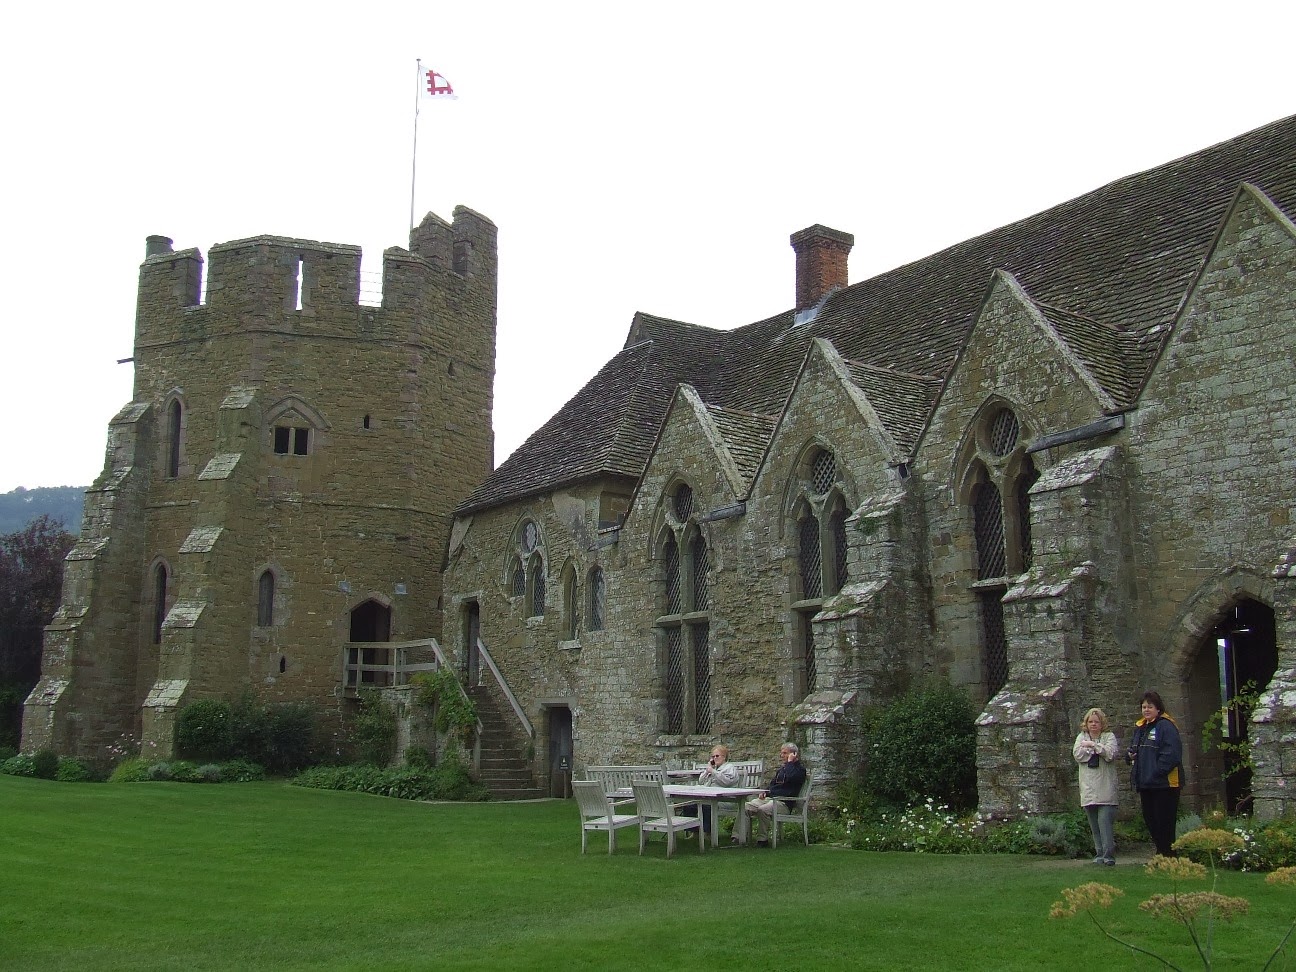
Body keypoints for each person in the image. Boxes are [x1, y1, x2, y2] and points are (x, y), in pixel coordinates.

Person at [1126, 690, 1183, 857]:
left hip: (1165, 784)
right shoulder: (1141, 727)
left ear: (1158, 709)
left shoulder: (1166, 726)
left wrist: (1157, 772)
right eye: (1143, 707)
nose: (1146, 710)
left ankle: (1169, 856)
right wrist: (1129, 755)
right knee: (1151, 821)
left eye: (1150, 707)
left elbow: (1171, 754)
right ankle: (1161, 854)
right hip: (1146, 784)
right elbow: (1134, 748)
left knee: (1164, 822)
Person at [735, 742, 807, 847]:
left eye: (785, 753)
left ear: (794, 754)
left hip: (784, 803)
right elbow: (773, 785)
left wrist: (790, 762)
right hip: (770, 799)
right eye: (781, 753)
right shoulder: (782, 770)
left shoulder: (799, 770)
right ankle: (738, 837)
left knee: (763, 809)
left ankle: (762, 840)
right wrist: (765, 792)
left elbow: (791, 777)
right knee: (745, 807)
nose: (782, 756)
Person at [1073, 707, 1119, 866]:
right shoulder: (1081, 737)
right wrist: (1092, 749)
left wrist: (1093, 746)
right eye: (1090, 722)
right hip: (1088, 788)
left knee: (1104, 823)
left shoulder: (1109, 736)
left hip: (1105, 788)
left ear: (1102, 723)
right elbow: (1078, 755)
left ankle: (1109, 856)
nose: (1093, 724)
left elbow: (1111, 753)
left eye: (1096, 722)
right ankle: (1099, 853)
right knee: (1094, 825)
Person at [683, 744, 741, 837]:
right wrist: (707, 770)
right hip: (710, 797)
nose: (714, 758)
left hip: (726, 799)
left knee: (706, 805)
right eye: (713, 756)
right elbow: (701, 781)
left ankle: (707, 833)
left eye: (717, 756)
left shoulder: (729, 768)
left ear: (724, 757)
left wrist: (713, 772)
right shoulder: (713, 768)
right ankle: (694, 832)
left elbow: (727, 782)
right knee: (690, 804)